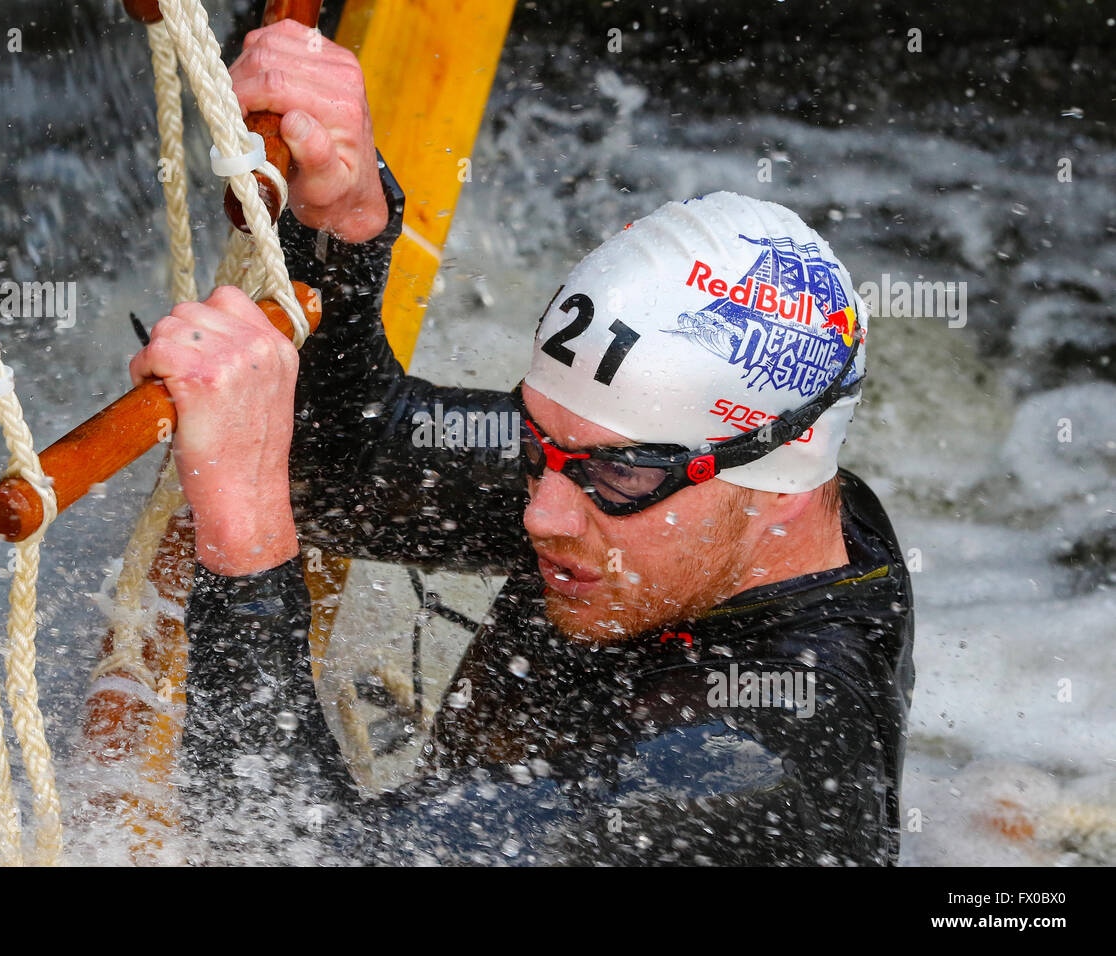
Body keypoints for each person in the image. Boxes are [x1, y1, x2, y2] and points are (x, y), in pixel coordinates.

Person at [128, 20, 914, 864]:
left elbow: (271, 855)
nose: (539, 512)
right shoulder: (687, 488)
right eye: (537, 442)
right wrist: (343, 231)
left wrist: (247, 548)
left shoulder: (756, 765)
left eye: (608, 470)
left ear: (784, 484)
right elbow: (340, 473)